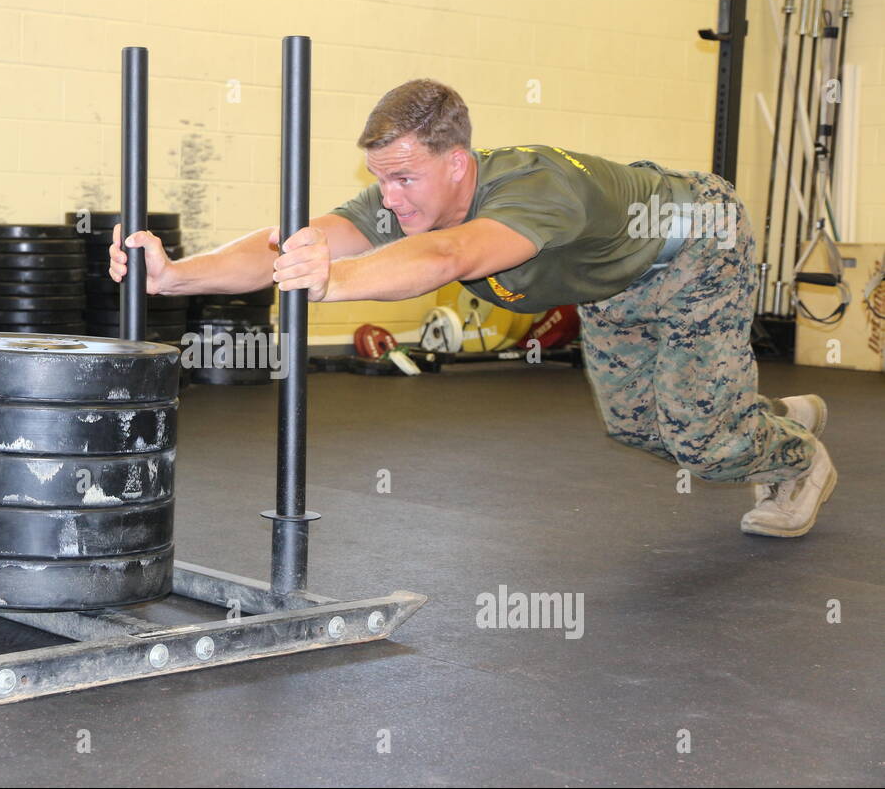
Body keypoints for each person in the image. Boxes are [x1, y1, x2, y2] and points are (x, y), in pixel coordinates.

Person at [109, 79, 836, 537]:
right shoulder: (406, 196)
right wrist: (174, 277)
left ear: (457, 162)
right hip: (612, 284)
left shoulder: (533, 190)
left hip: (696, 246)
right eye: (379, 181)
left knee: (702, 440)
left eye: (403, 179)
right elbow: (290, 241)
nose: (389, 198)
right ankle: (762, 417)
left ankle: (800, 460)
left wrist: (332, 283)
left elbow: (448, 260)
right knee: (638, 426)